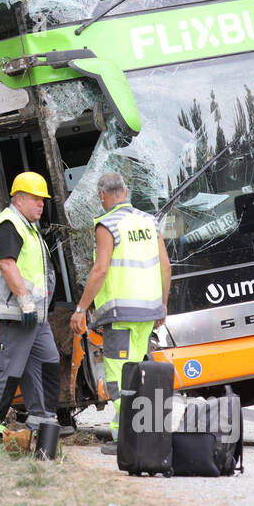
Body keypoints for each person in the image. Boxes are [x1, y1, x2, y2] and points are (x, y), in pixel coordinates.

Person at [69, 173, 171, 438]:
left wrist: (81, 308)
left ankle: (126, 435)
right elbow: (165, 266)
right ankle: (137, 430)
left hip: (121, 315)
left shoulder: (107, 224)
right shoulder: (150, 221)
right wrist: (163, 305)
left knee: (117, 375)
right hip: (148, 313)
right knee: (137, 372)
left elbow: (100, 269)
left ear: (102, 195)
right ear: (126, 191)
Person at [0, 172, 60, 427]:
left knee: (47, 363)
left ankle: (42, 422)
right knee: (5, 372)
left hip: (34, 317)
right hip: (11, 315)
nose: (41, 204)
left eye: (43, 200)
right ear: (19, 199)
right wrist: (25, 301)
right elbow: (7, 264)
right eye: (36, 199)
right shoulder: (10, 223)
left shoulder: (29, 228)